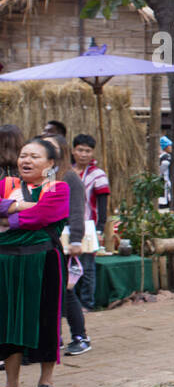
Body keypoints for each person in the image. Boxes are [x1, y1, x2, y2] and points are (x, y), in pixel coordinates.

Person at [0, 138, 70, 387]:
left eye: (34, 156)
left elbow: (42, 217)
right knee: (7, 320)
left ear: (50, 163)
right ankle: (11, 385)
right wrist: (20, 206)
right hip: (6, 261)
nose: (26, 161)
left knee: (44, 318)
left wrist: (6, 218)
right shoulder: (7, 185)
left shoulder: (58, 188)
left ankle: (46, 381)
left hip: (42, 261)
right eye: (23, 155)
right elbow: (33, 215)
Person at [47, 135, 92, 357]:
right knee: (50, 292)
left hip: (64, 243)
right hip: (46, 242)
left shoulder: (69, 177)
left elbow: (77, 211)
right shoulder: (45, 176)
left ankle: (80, 336)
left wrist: (76, 239)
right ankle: (55, 337)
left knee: (67, 291)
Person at [70, 134, 107, 313]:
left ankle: (86, 304)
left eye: (88, 151)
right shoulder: (66, 172)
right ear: (73, 150)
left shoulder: (98, 174)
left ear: (92, 153)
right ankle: (71, 303)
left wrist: (100, 228)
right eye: (80, 150)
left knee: (87, 267)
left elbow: (103, 204)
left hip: (89, 228)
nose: (83, 154)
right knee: (69, 266)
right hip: (67, 227)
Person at [159, 136, 173, 207]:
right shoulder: (166, 157)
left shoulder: (163, 156)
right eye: (169, 145)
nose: (171, 147)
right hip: (163, 178)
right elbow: (164, 164)